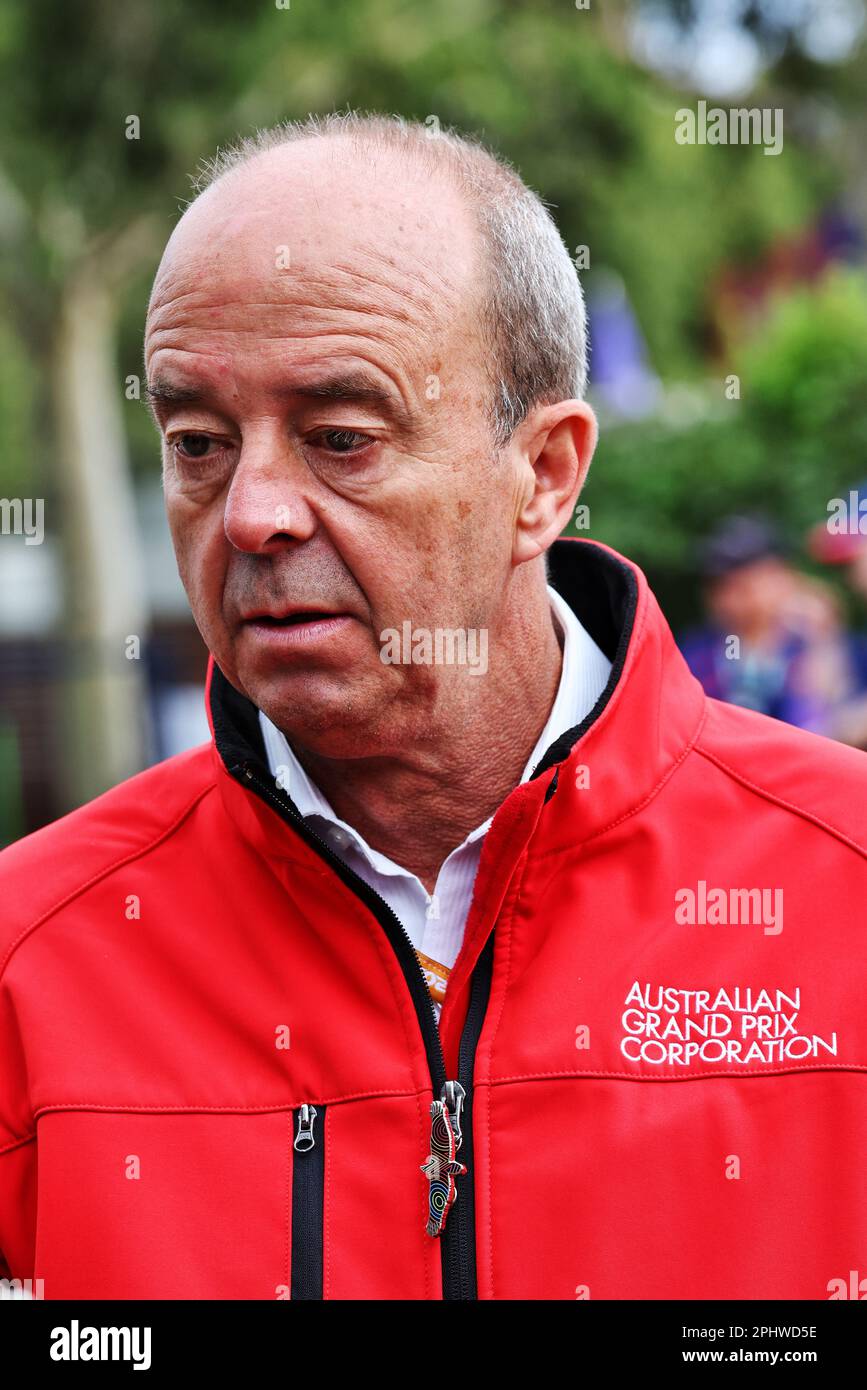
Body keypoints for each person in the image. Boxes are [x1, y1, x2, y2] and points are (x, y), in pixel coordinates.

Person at [1, 113, 867, 1302]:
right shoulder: (29, 963)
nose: (253, 512)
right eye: (198, 441)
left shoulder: (842, 889)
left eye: (341, 438)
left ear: (544, 476)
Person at [681, 515, 854, 733]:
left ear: (784, 576)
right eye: (720, 586)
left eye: (745, 585)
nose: (730, 598)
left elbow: (826, 722)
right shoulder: (698, 654)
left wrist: (822, 639)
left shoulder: (816, 642)